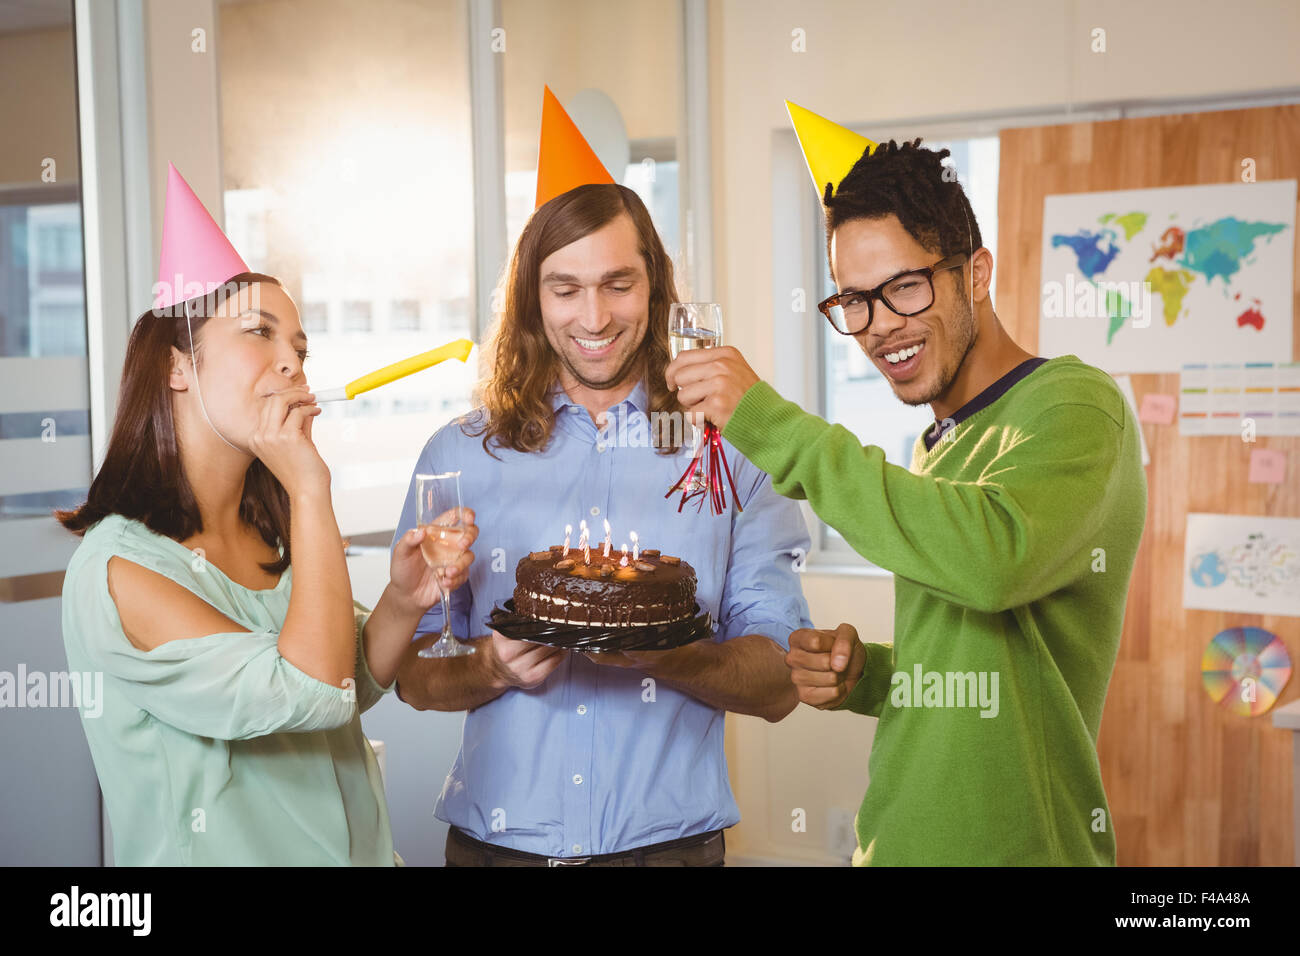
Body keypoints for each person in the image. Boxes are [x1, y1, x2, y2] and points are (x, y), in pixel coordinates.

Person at [666, 107, 1147, 866]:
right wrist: (871, 676)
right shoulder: (935, 445)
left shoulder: (1075, 405)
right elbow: (984, 671)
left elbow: (995, 562)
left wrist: (770, 422)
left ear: (975, 274)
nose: (878, 325)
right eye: (853, 300)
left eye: (904, 288)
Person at [391, 89, 812, 866]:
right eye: (565, 288)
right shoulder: (456, 455)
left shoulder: (730, 453)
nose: (593, 317)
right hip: (495, 847)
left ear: (655, 287)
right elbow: (410, 675)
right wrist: (485, 666)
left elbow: (780, 678)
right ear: (530, 297)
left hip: (667, 850)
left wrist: (666, 656)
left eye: (618, 284)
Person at [58, 165, 459, 865]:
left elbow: (352, 678)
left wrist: (403, 598)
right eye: (259, 334)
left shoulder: (270, 530)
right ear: (178, 365)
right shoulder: (119, 570)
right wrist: (310, 485)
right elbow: (312, 692)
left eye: (300, 349)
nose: (291, 364)